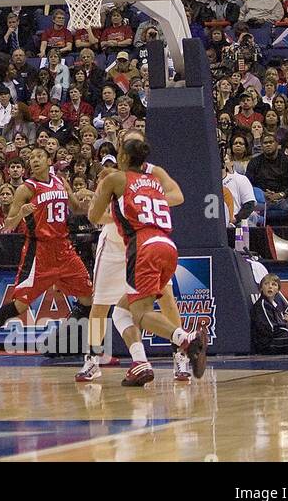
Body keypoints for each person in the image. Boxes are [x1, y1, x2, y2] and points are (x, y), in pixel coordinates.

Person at [86, 137, 209, 382]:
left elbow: (93, 215)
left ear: (122, 157)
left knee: (140, 314)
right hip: (167, 245)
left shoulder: (115, 178)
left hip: (141, 248)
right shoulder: (153, 181)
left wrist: (101, 197)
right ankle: (140, 363)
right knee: (122, 312)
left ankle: (187, 340)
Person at [0, 146, 96, 358]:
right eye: (32, 158)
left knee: (89, 300)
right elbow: (8, 225)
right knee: (20, 305)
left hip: (65, 249)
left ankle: (87, 349)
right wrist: (21, 213)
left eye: (40, 156)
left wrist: (89, 198)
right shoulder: (26, 189)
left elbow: (75, 209)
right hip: (40, 251)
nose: (35, 160)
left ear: (49, 160)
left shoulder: (60, 181)